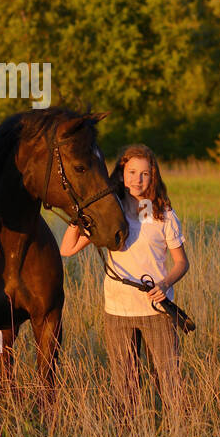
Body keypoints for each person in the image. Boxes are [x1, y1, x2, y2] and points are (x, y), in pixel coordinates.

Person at [61, 143, 189, 415]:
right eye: (131, 172)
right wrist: (78, 217)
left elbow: (181, 262)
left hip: (156, 310)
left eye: (144, 174)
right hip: (117, 310)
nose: (137, 180)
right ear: (120, 173)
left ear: (153, 176)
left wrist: (165, 284)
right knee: (125, 385)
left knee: (169, 380)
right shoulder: (110, 214)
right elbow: (67, 249)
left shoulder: (163, 214)